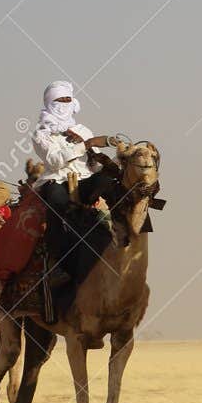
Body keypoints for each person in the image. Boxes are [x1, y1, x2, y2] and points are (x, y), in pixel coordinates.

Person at [29, 81, 117, 305]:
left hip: (84, 179)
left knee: (110, 184)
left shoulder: (82, 130)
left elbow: (93, 164)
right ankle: (58, 264)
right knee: (58, 204)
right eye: (60, 100)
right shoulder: (41, 134)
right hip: (57, 179)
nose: (65, 103)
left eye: (68, 99)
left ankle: (124, 234)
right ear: (50, 103)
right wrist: (86, 145)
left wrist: (105, 159)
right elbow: (54, 161)